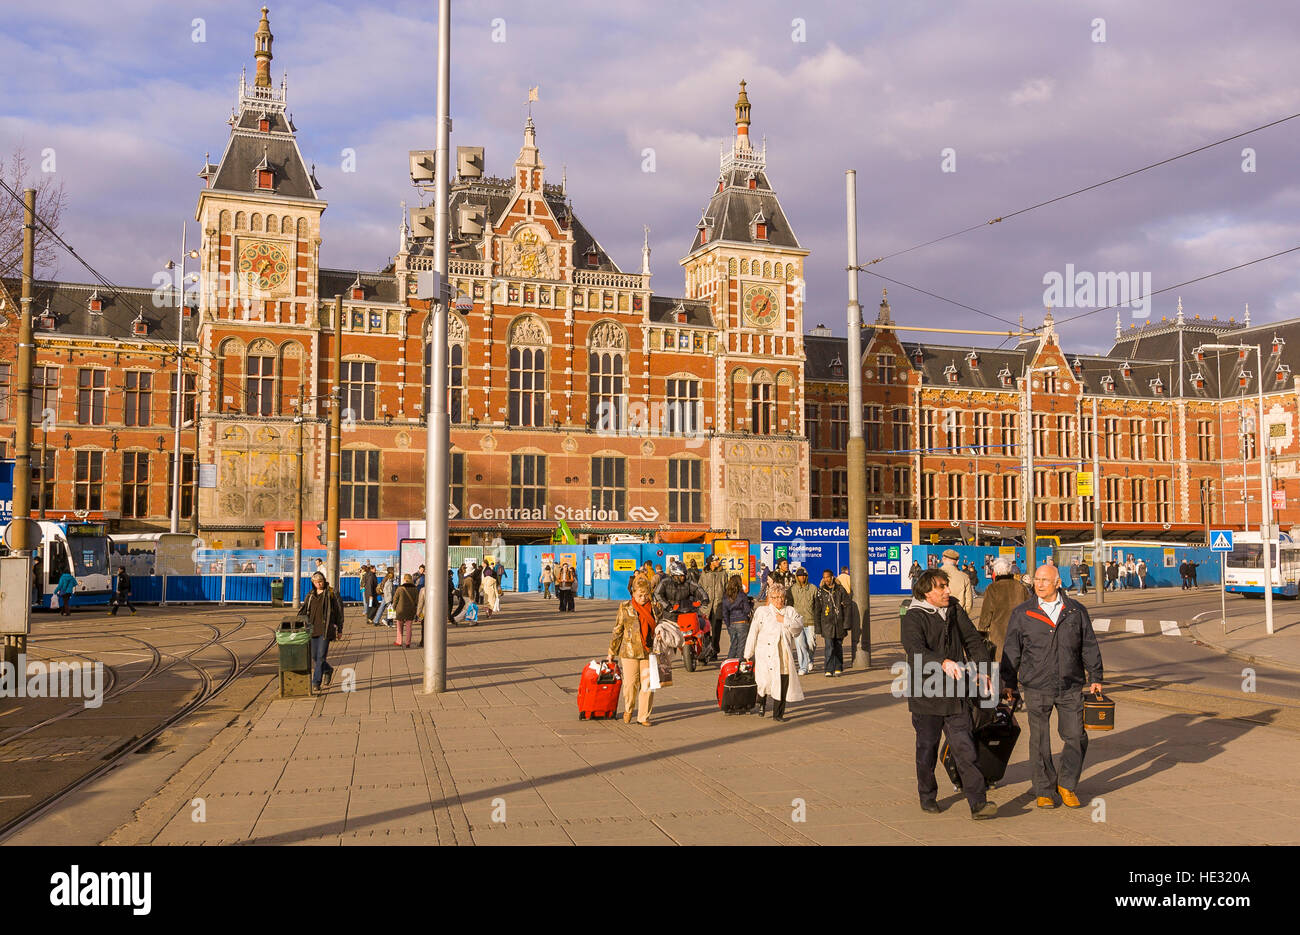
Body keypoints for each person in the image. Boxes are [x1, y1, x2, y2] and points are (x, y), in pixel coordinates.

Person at [1001, 563, 1104, 810]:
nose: (1039, 584)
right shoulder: (1023, 612)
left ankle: (1067, 785)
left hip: (1070, 685)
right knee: (1039, 740)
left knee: (1076, 737)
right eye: (1036, 579)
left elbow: (1088, 644)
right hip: (1036, 685)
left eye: (1045, 580)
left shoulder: (1075, 611)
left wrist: (1096, 676)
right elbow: (1012, 650)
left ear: (1058, 583)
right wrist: (1008, 682)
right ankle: (1044, 789)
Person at [900, 568, 998, 820]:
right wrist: (942, 661)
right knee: (927, 749)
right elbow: (914, 650)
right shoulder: (913, 616)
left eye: (946, 585)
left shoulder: (954, 609)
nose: (947, 591)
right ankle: (927, 795)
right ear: (926, 592)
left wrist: (984, 670)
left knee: (965, 748)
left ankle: (978, 803)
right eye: (941, 587)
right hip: (926, 695)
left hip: (956, 693)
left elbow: (973, 640)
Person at [743, 582, 805, 722]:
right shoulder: (762, 612)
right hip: (765, 654)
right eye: (776, 597)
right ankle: (761, 702)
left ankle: (778, 714)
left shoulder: (789, 611)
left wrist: (785, 620)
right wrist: (748, 653)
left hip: (783, 656)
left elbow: (798, 626)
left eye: (781, 597)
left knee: (782, 685)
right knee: (764, 683)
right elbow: (753, 632)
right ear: (770, 597)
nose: (779, 600)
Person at [608, 578, 657, 726]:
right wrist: (612, 651)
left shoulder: (656, 607)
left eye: (646, 595)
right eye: (640, 595)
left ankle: (643, 716)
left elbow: (661, 624)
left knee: (647, 685)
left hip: (649, 651)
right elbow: (618, 630)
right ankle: (629, 708)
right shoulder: (625, 607)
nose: (643, 598)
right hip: (629, 651)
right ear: (633, 593)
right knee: (630, 684)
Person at [654, 558, 712, 659]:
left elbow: (699, 589)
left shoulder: (688, 583)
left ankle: (705, 648)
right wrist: (667, 606)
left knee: (704, 624)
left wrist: (704, 599)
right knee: (663, 635)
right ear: (674, 575)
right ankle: (663, 659)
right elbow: (657, 594)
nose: (683, 577)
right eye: (681, 576)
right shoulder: (665, 583)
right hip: (671, 616)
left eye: (684, 575)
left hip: (688, 612)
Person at [298, 571, 345, 694]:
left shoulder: (331, 593)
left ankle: (316, 682)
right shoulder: (310, 594)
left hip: (326, 629)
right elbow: (303, 611)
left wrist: (340, 629)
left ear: (324, 581)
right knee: (314, 656)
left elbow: (340, 611)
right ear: (313, 583)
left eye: (320, 582)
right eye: (316, 582)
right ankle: (328, 670)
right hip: (312, 629)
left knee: (321, 656)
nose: (319, 584)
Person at [978, 557, 1031, 662]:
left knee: (1000, 659)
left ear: (996, 572)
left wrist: (982, 631)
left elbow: (987, 612)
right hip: (1018, 628)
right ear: (1009, 569)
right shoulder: (1020, 587)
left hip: (998, 631)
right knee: (1017, 657)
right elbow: (1029, 608)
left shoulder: (992, 588)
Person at [812, 569, 850, 677]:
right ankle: (828, 669)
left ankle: (838, 667)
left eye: (828, 577)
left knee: (838, 646)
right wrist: (818, 627)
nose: (826, 579)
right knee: (829, 647)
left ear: (832, 577)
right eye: (824, 577)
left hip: (839, 623)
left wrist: (846, 624)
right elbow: (817, 609)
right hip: (827, 623)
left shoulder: (840, 589)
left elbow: (847, 606)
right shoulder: (821, 591)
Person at [787, 567, 818, 676]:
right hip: (797, 622)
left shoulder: (813, 588)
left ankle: (810, 659)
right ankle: (803, 667)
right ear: (797, 576)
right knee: (800, 645)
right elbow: (789, 606)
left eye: (804, 575)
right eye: (800, 575)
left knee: (811, 644)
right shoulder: (792, 589)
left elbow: (817, 605)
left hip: (811, 621)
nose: (802, 577)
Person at [699, 556, 728, 662]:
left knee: (716, 631)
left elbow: (726, 587)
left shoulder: (723, 573)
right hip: (706, 607)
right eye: (716, 560)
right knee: (705, 631)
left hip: (718, 605)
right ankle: (706, 651)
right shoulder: (704, 573)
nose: (718, 562)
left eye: (718, 560)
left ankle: (714, 651)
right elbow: (700, 587)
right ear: (710, 562)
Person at [720, 574, 753, 659]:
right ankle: (739, 664)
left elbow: (725, 612)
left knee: (733, 645)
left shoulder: (726, 596)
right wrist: (750, 604)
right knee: (741, 646)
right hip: (742, 622)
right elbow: (747, 610)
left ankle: (729, 662)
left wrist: (728, 624)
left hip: (731, 623)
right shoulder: (742, 595)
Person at [940, 549, 973, 615]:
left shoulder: (933, 575)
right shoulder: (964, 577)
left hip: (938, 616)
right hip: (958, 615)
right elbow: (969, 601)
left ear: (943, 559)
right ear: (957, 562)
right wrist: (964, 616)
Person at [392, 573, 420, 648]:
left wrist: (393, 608)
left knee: (399, 627)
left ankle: (399, 641)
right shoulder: (415, 589)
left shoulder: (400, 588)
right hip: (410, 610)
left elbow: (395, 599)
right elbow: (417, 600)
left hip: (400, 610)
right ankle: (408, 643)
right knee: (409, 627)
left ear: (404, 579)